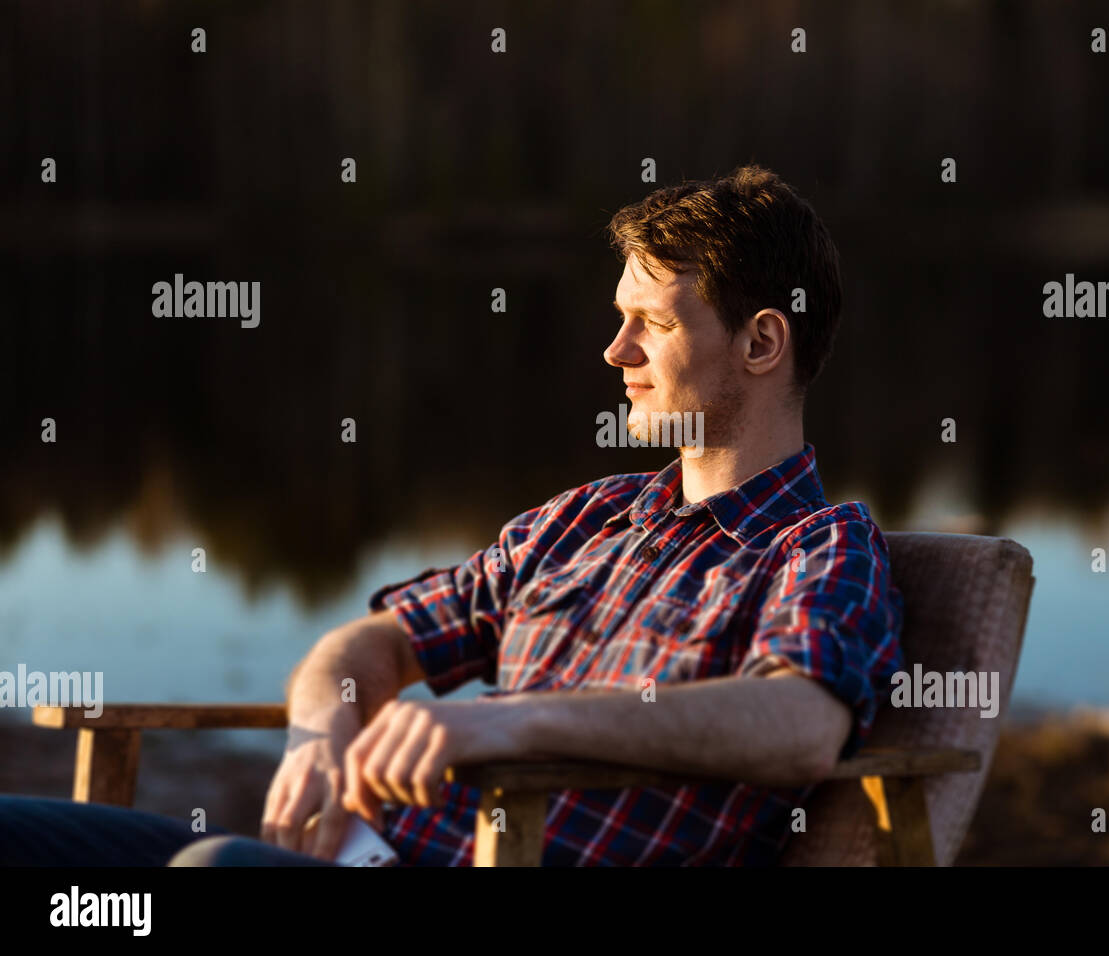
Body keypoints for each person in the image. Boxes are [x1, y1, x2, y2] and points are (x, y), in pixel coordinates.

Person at [0, 164, 904, 867]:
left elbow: (800, 727)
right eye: (618, 318)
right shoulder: (586, 519)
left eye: (652, 325)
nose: (613, 349)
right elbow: (370, 646)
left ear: (760, 341)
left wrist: (513, 722)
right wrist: (319, 735)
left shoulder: (818, 550)